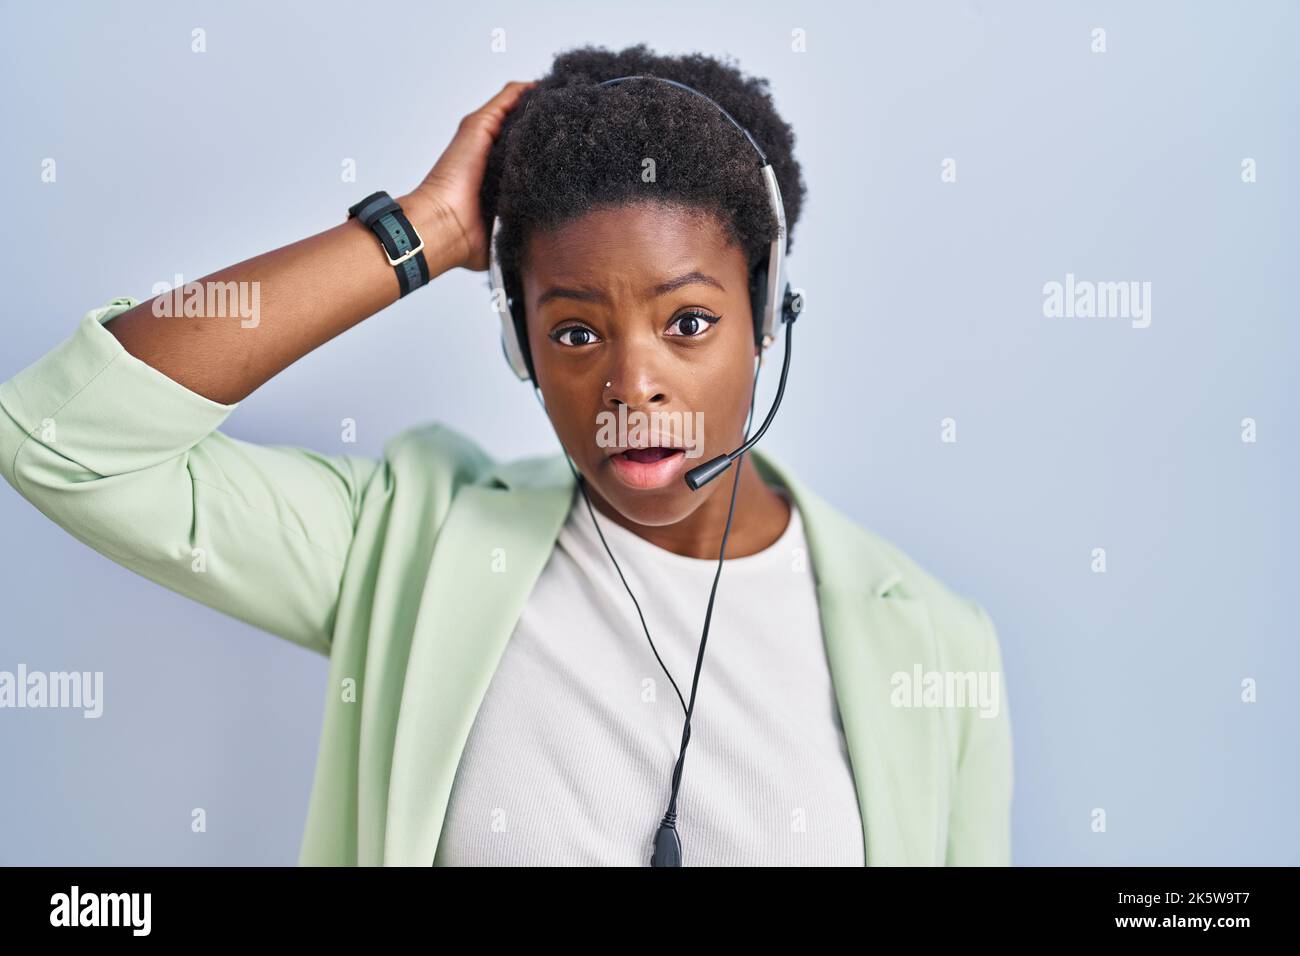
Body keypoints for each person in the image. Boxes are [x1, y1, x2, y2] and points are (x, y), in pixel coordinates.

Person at [0, 44, 1012, 866]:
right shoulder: (415, 539)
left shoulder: (935, 641)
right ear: (517, 343)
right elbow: (65, 439)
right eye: (575, 332)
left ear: (766, 319)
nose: (632, 384)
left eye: (689, 321)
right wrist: (426, 230)